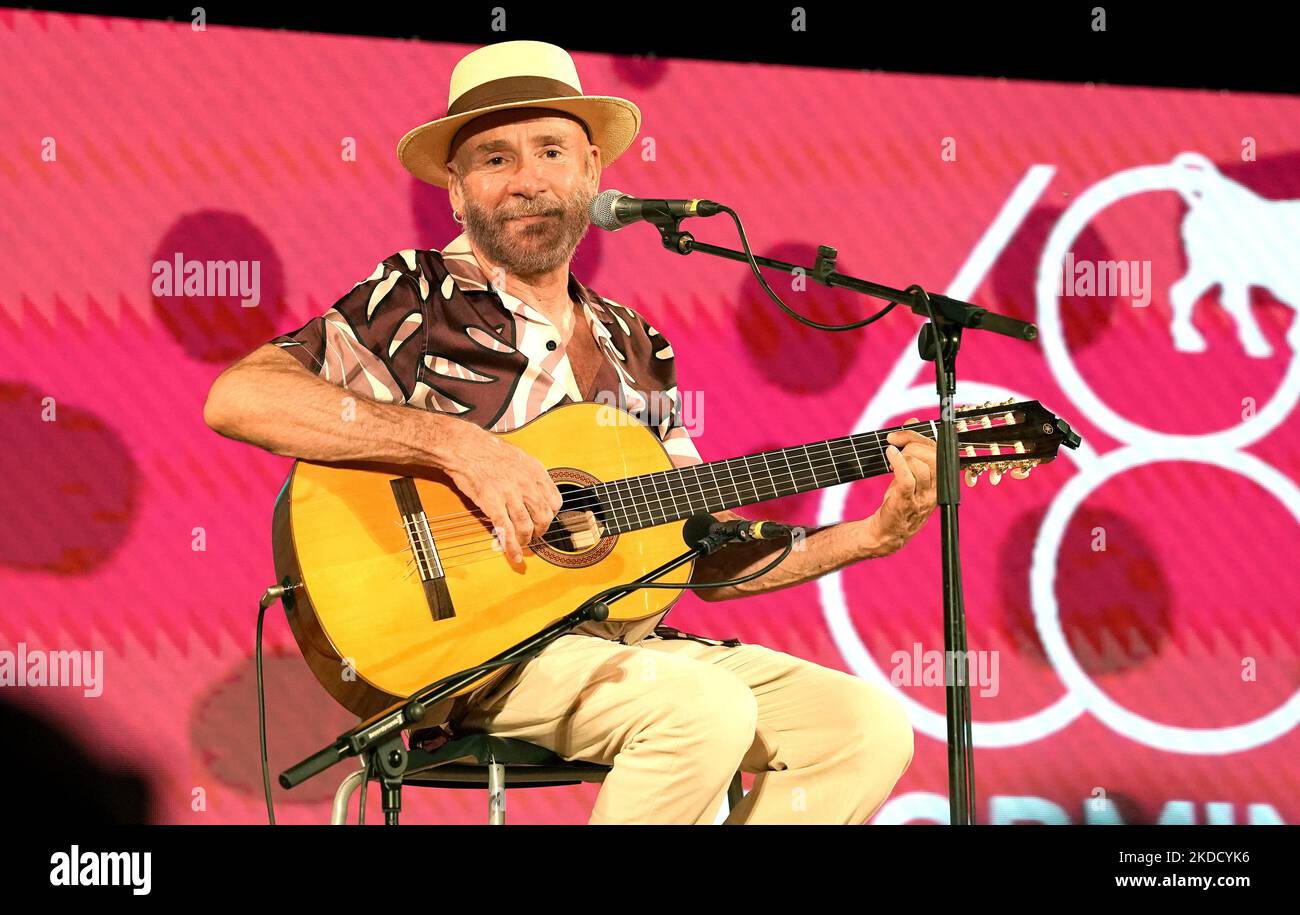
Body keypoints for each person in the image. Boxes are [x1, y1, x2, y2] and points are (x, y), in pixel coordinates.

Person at [204, 40, 936, 824]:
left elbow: (699, 548)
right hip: (475, 654)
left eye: (551, 151)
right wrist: (457, 445)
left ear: (591, 172)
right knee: (699, 710)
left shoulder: (636, 343)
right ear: (456, 191)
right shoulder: (415, 295)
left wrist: (869, 536)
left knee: (863, 728)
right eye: (494, 158)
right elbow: (240, 396)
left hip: (622, 650)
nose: (526, 179)